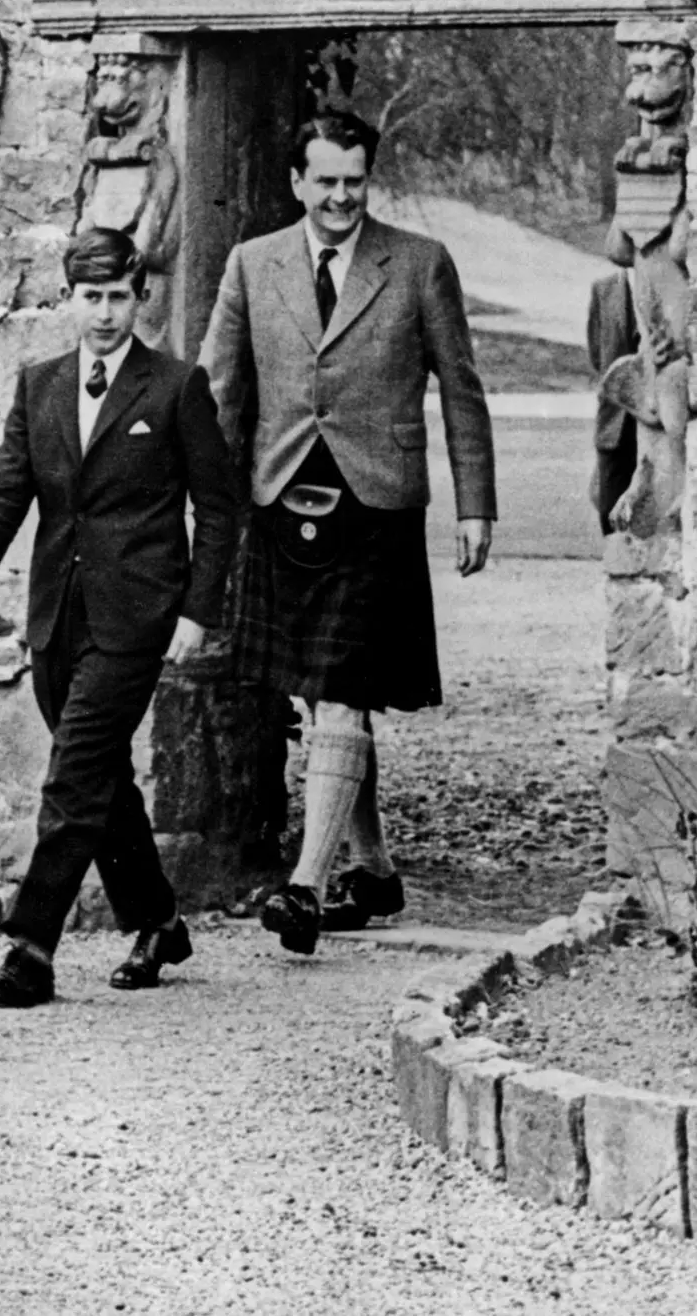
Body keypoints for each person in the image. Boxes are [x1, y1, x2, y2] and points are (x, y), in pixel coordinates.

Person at [199, 108, 496, 955]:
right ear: (297, 183)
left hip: (378, 505)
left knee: (339, 686)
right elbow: (219, 391)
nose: (339, 197)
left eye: (353, 181)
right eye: (324, 181)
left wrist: (476, 503)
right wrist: (211, 512)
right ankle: (373, 870)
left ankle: (304, 886)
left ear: (370, 179)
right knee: (324, 692)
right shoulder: (252, 265)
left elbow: (461, 388)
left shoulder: (419, 263)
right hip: (280, 500)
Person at [0, 227, 239, 1007]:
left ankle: (30, 947)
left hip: (135, 616)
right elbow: (9, 484)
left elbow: (218, 508)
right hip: (56, 613)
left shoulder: (176, 387)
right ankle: (158, 918)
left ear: (139, 296)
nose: (106, 313)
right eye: (92, 296)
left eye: (119, 296)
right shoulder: (39, 383)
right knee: (104, 776)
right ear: (68, 298)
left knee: (75, 772)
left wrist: (196, 612)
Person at [587, 267, 639, 536]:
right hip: (614, 423)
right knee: (609, 512)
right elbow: (598, 354)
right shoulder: (604, 288)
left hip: (654, 419)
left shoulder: (664, 285)